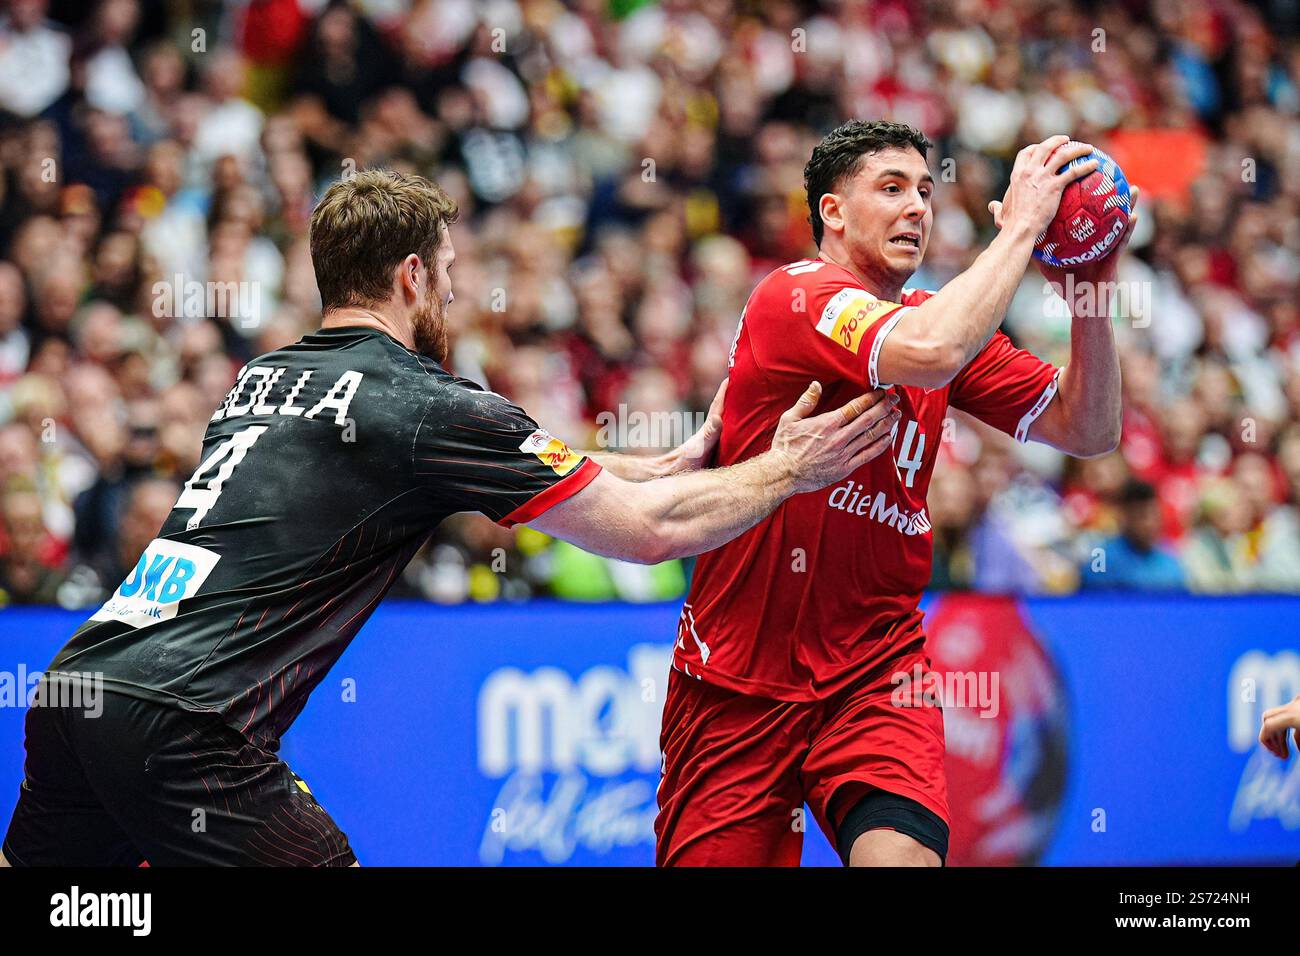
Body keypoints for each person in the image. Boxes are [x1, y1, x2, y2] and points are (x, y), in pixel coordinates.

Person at [0, 169, 900, 867]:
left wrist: (669, 459)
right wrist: (789, 468)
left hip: (83, 686)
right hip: (190, 724)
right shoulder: (424, 404)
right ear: (414, 274)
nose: (456, 300)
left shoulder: (261, 379)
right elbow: (647, 532)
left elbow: (539, 464)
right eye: (452, 277)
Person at [656, 121, 1134, 867]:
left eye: (924, 191)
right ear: (832, 213)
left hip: (875, 673)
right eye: (891, 189)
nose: (917, 207)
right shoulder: (797, 296)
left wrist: (1093, 291)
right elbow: (931, 354)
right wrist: (1020, 229)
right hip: (736, 684)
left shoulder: (929, 316)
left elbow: (1089, 427)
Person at [1079, 478, 1185, 589]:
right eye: (1142, 516)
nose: (1150, 524)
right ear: (1125, 517)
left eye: (1155, 516)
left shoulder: (1171, 564)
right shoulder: (1102, 561)